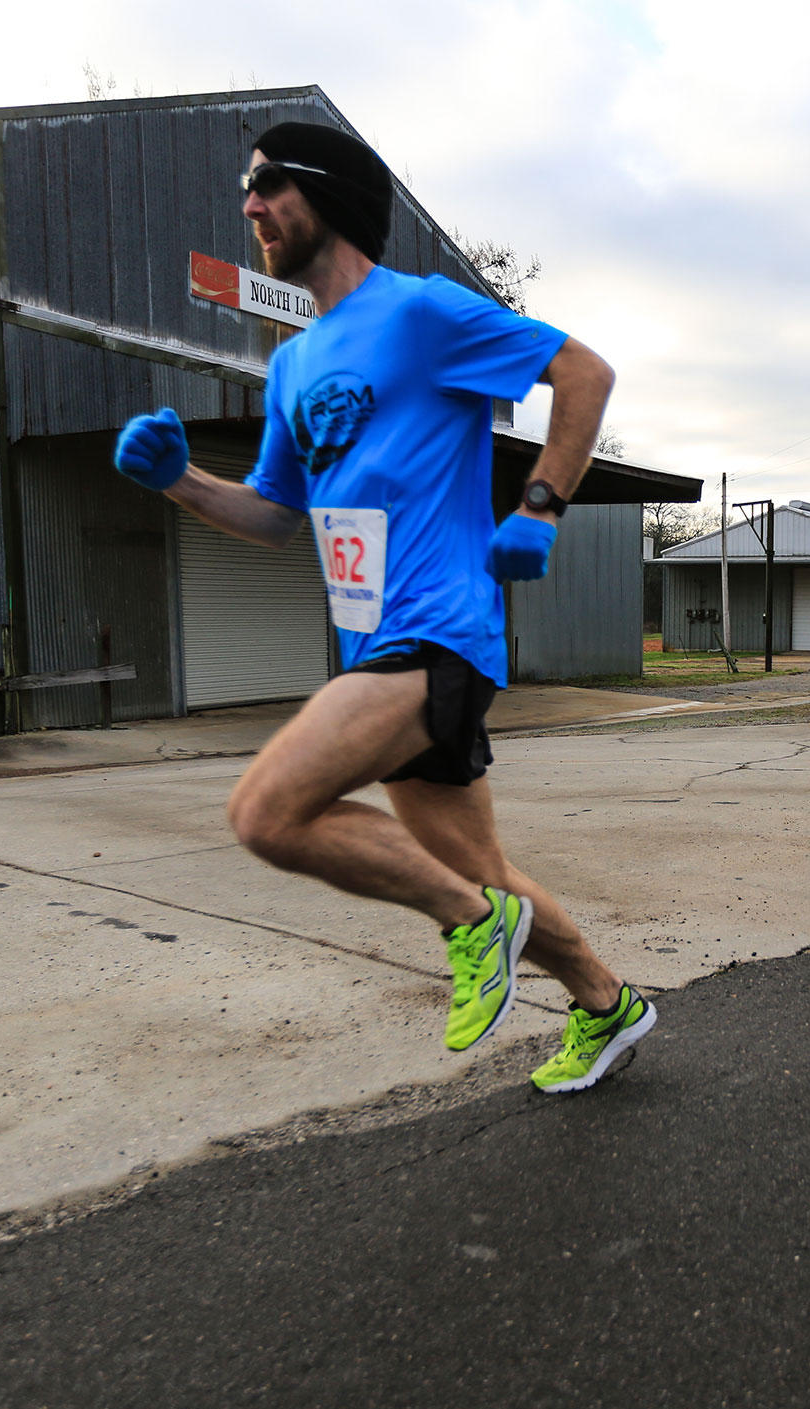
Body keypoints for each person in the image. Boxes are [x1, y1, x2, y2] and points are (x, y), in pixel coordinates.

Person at [111, 122, 653, 1094]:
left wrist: (540, 506)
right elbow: (275, 514)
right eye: (247, 189)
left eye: (270, 184)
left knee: (265, 812)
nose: (250, 206)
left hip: (435, 632)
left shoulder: (422, 314)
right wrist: (180, 479)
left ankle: (473, 928)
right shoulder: (291, 365)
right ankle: (609, 1003)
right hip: (376, 642)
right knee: (488, 874)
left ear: (328, 195)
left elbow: (583, 375)